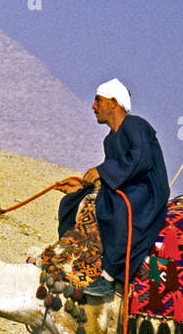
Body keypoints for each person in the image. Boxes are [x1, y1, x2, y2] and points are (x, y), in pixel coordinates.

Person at [57, 79, 169, 298]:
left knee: (113, 209)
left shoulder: (135, 125)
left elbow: (141, 159)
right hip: (126, 188)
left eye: (98, 100)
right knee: (75, 200)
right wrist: (84, 186)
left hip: (147, 192)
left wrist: (102, 171)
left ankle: (108, 276)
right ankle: (75, 256)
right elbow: (116, 173)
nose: (93, 106)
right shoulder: (110, 140)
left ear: (114, 103)